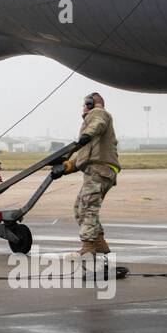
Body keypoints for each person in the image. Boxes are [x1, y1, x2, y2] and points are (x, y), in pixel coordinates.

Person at [52, 92, 120, 255]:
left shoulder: (98, 114)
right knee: (79, 208)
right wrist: (66, 167)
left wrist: (86, 134)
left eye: (84, 104)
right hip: (97, 170)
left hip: (99, 171)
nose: (83, 108)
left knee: (88, 207)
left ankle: (89, 247)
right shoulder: (93, 136)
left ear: (90, 104)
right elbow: (84, 157)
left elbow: (97, 123)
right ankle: (99, 243)